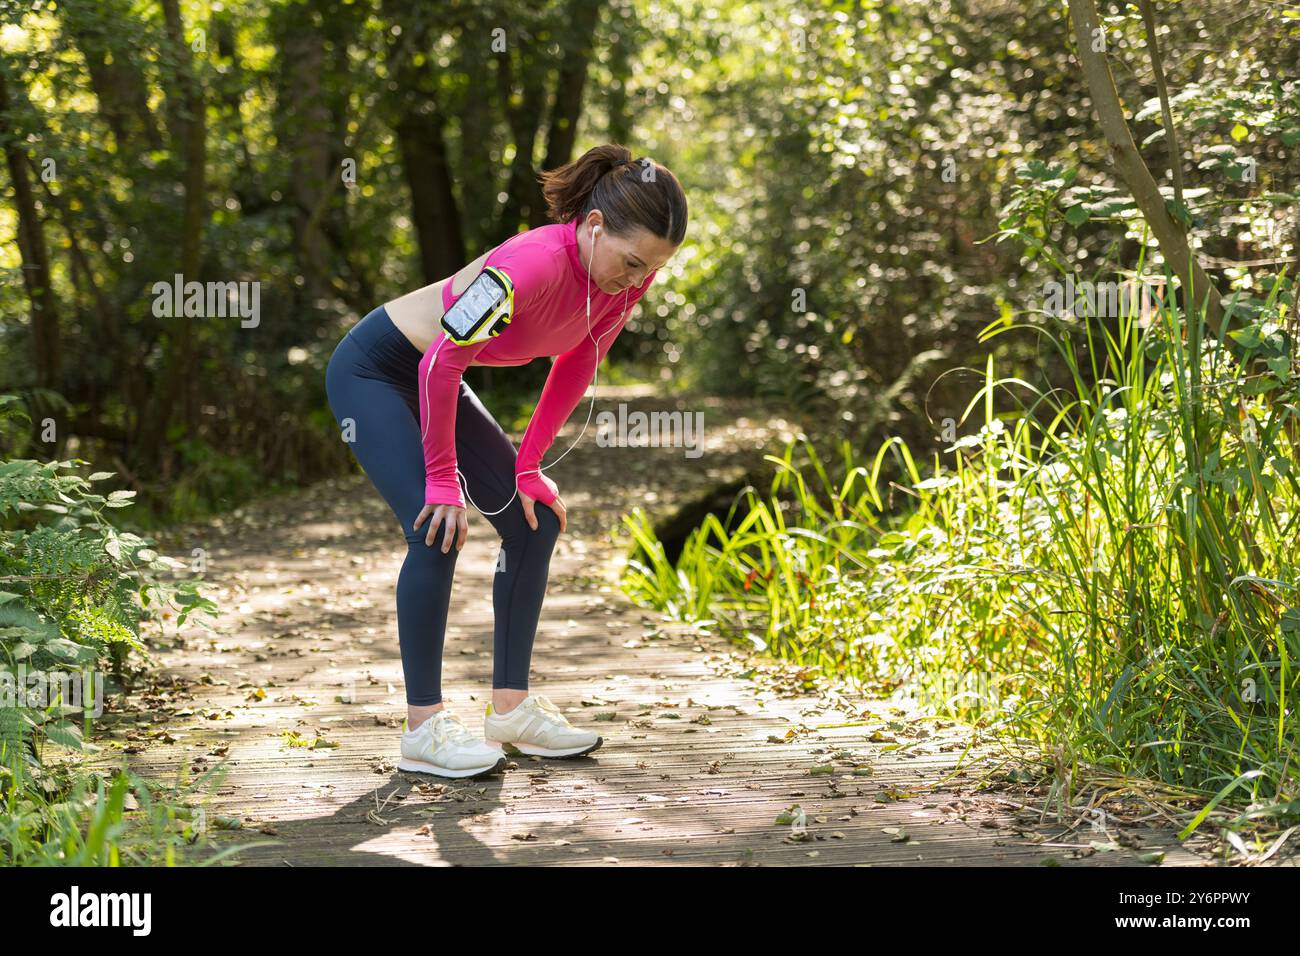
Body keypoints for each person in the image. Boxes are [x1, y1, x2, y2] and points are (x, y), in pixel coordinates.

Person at [325, 144, 687, 778]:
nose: (637, 281)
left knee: (535, 521)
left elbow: (578, 359)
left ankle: (511, 711)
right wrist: (442, 482)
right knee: (435, 529)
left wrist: (527, 465)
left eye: (650, 270)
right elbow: (440, 360)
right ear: (595, 225)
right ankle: (424, 730)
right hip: (377, 371)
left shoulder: (625, 278)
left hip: (437, 374)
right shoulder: (525, 268)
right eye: (631, 263)